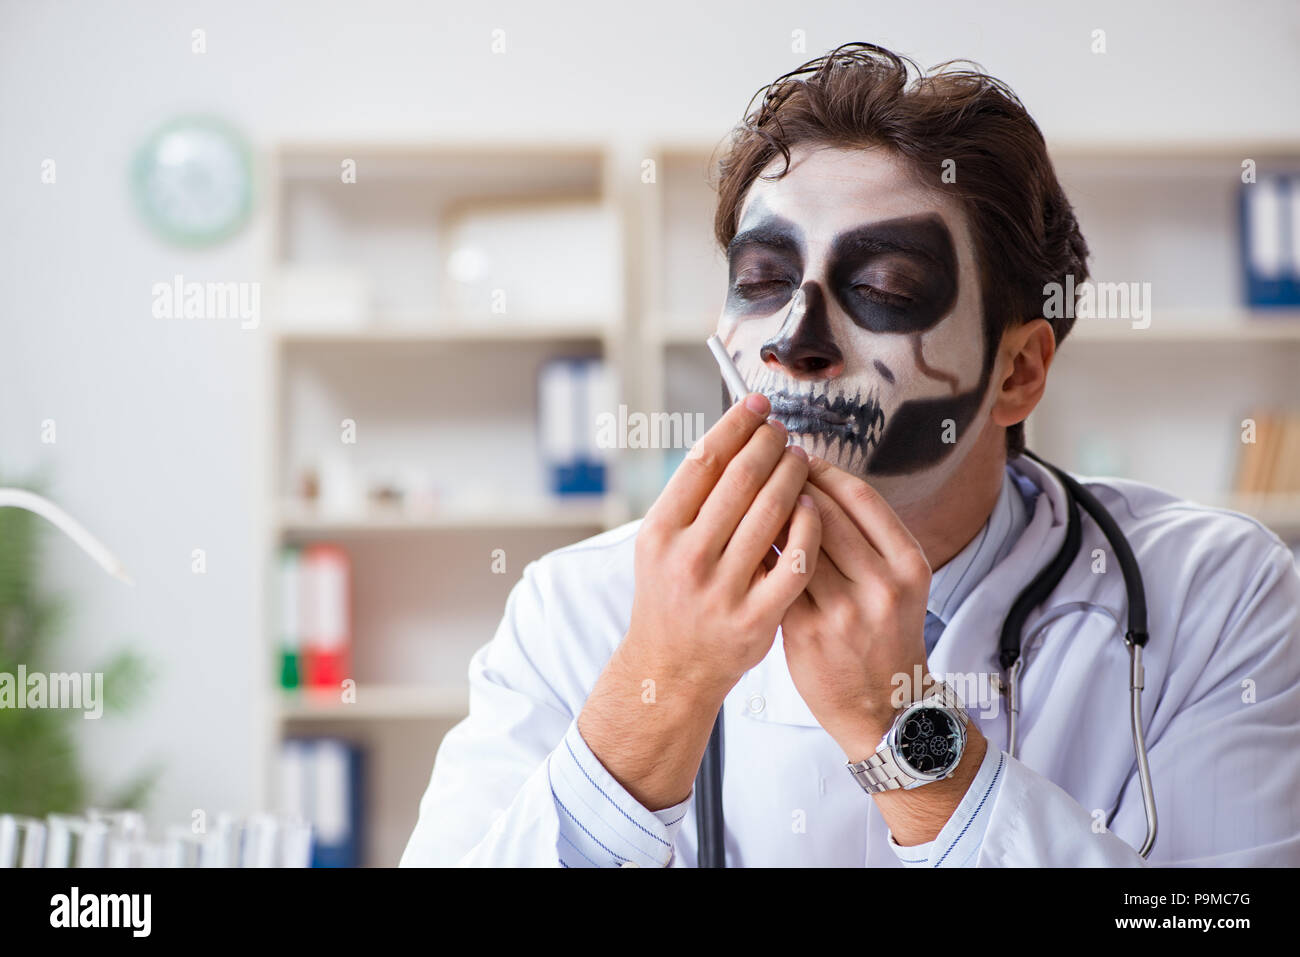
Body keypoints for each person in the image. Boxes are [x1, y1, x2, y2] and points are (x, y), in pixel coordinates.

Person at [400, 42, 1300, 867]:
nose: (795, 340)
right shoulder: (576, 608)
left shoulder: (1215, 595)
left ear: (1019, 370)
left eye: (885, 287)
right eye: (762, 281)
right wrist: (661, 689)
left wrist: (903, 729)